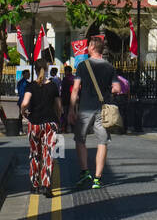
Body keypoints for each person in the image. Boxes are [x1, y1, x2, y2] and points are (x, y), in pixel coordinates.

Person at [68, 36, 121, 190]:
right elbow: (117, 88)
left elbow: (76, 89)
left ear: (91, 48)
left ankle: (85, 171)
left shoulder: (83, 65)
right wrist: (107, 91)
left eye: (88, 46)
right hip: (102, 110)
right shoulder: (110, 67)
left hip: (85, 108)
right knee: (102, 142)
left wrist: (72, 109)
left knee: (80, 140)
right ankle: (97, 178)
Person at [20, 61, 62, 198]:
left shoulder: (31, 86)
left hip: (34, 123)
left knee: (34, 153)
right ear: (47, 69)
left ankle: (34, 184)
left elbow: (25, 103)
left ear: (36, 70)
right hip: (50, 123)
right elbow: (59, 107)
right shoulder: (53, 86)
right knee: (48, 154)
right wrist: (59, 118)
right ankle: (46, 185)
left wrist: (23, 112)